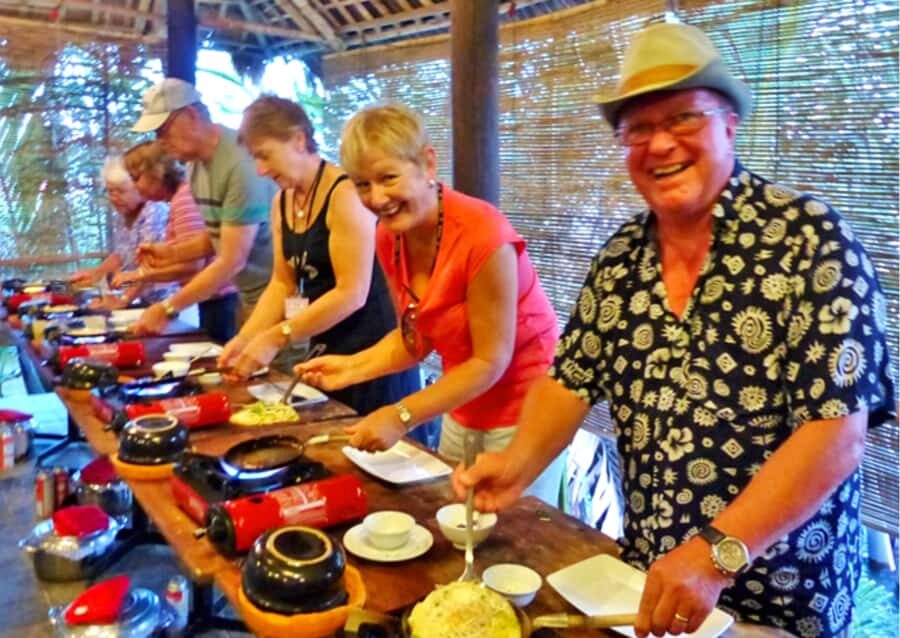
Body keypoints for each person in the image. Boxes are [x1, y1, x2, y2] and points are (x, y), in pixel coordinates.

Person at [453, 21, 894, 638]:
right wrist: (518, 462)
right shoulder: (621, 260)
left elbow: (836, 435)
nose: (660, 144)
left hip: (780, 605)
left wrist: (716, 554)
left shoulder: (812, 242)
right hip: (652, 588)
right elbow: (570, 380)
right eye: (638, 128)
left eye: (684, 117)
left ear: (729, 124)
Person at [296, 103, 565, 505]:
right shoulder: (390, 237)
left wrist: (401, 415)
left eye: (388, 177)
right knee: (453, 514)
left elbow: (490, 360)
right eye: (362, 184)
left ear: (427, 164)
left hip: (525, 406)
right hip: (464, 399)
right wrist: (350, 368)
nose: (377, 198)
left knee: (512, 530)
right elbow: (416, 338)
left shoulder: (483, 235)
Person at [216, 95, 420, 414]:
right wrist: (245, 339)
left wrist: (276, 337)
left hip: (373, 351)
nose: (260, 170)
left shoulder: (344, 193)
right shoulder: (282, 202)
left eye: (265, 155)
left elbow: (351, 293)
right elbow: (282, 284)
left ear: (298, 140)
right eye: (255, 159)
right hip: (325, 348)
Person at [130, 78, 275, 339]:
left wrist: (168, 308)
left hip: (278, 298)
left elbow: (232, 259)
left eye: (163, 130)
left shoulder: (239, 165)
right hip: (249, 297)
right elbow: (218, 236)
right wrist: (173, 253)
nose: (160, 141)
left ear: (190, 115)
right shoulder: (195, 167)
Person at [119, 140, 240, 343]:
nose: (134, 186)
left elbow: (193, 266)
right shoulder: (178, 199)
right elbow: (190, 253)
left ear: (156, 172)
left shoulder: (184, 199)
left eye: (136, 178)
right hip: (213, 301)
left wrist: (142, 275)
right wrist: (161, 260)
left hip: (221, 300)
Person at [70, 156, 167, 309]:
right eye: (110, 191)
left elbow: (149, 267)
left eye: (120, 191)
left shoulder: (154, 212)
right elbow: (120, 255)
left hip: (163, 301)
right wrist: (95, 274)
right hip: (138, 298)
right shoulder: (123, 215)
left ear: (140, 188)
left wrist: (123, 300)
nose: (114, 198)